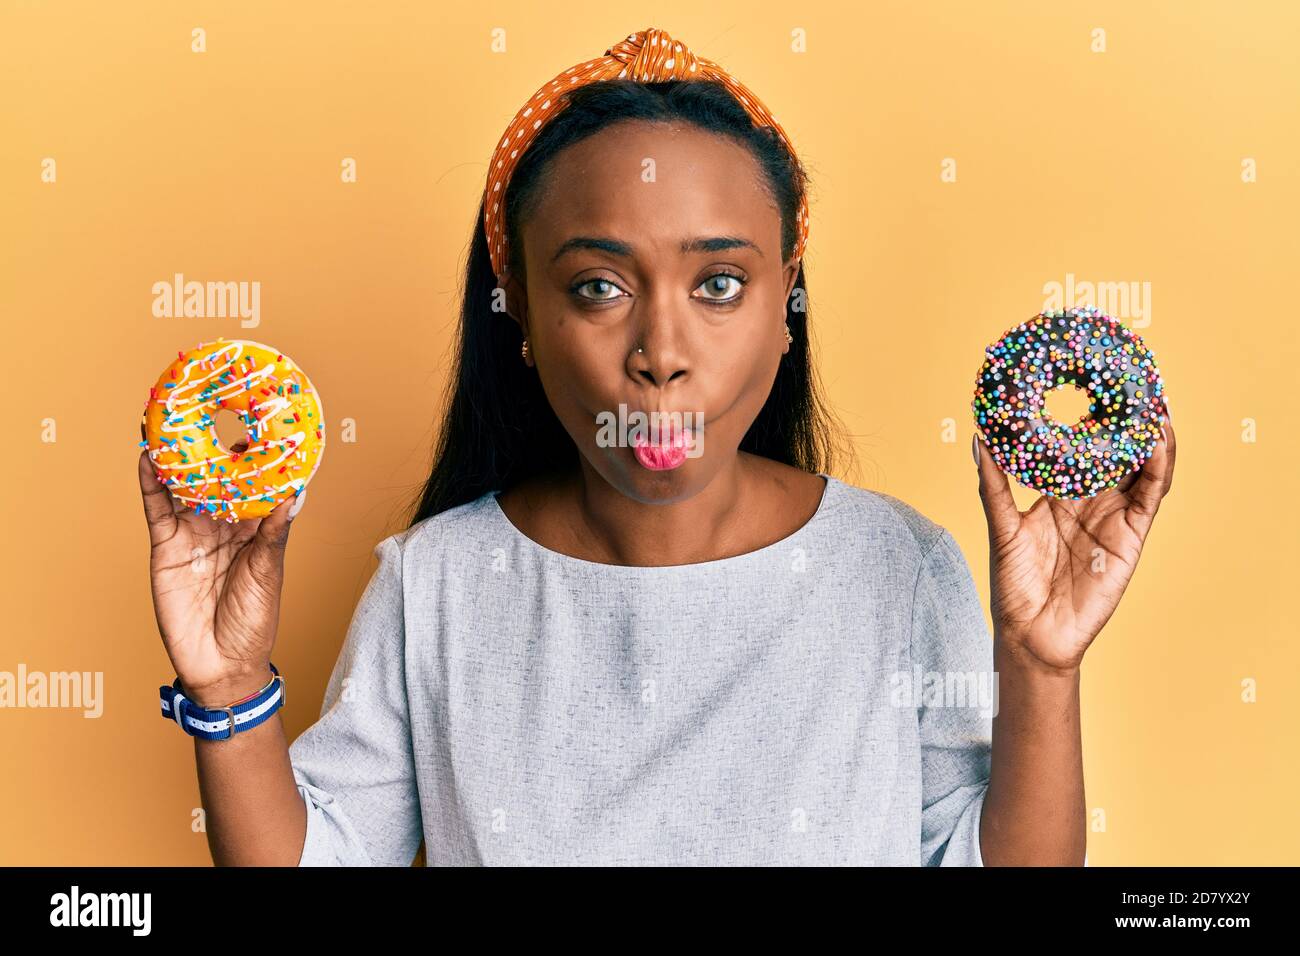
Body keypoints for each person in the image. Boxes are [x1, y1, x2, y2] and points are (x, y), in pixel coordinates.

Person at [138, 27, 1176, 866]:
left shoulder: (897, 566)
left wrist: (1042, 665)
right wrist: (226, 688)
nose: (662, 354)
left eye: (718, 283)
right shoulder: (436, 584)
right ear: (526, 325)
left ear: (785, 312)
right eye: (597, 286)